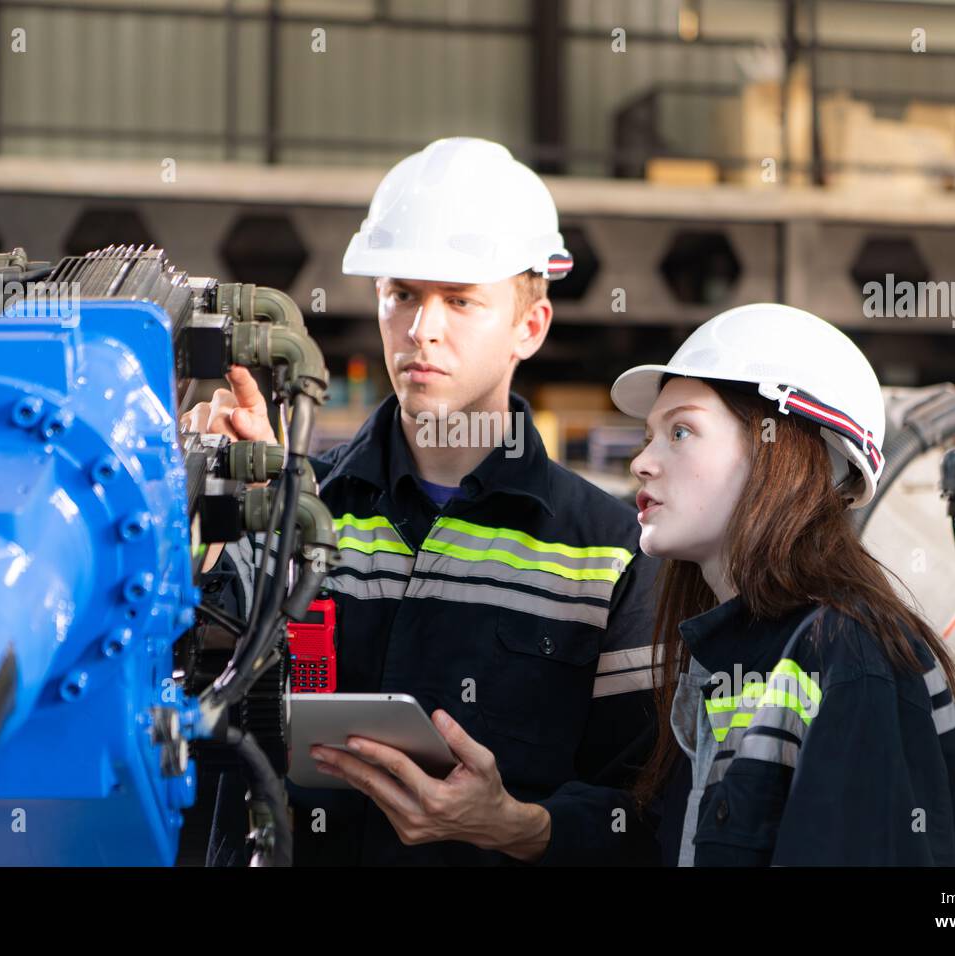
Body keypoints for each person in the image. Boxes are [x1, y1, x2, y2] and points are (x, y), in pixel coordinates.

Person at [188, 136, 662, 865]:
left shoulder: (611, 552)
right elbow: (199, 694)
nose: (421, 329)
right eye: (402, 294)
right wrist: (215, 516)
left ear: (528, 327)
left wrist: (521, 826)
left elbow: (649, 813)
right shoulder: (296, 506)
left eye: (461, 300)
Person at [610, 302, 955, 866]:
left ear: (781, 449)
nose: (642, 462)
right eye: (650, 436)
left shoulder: (849, 655)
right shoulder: (726, 660)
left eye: (681, 431)